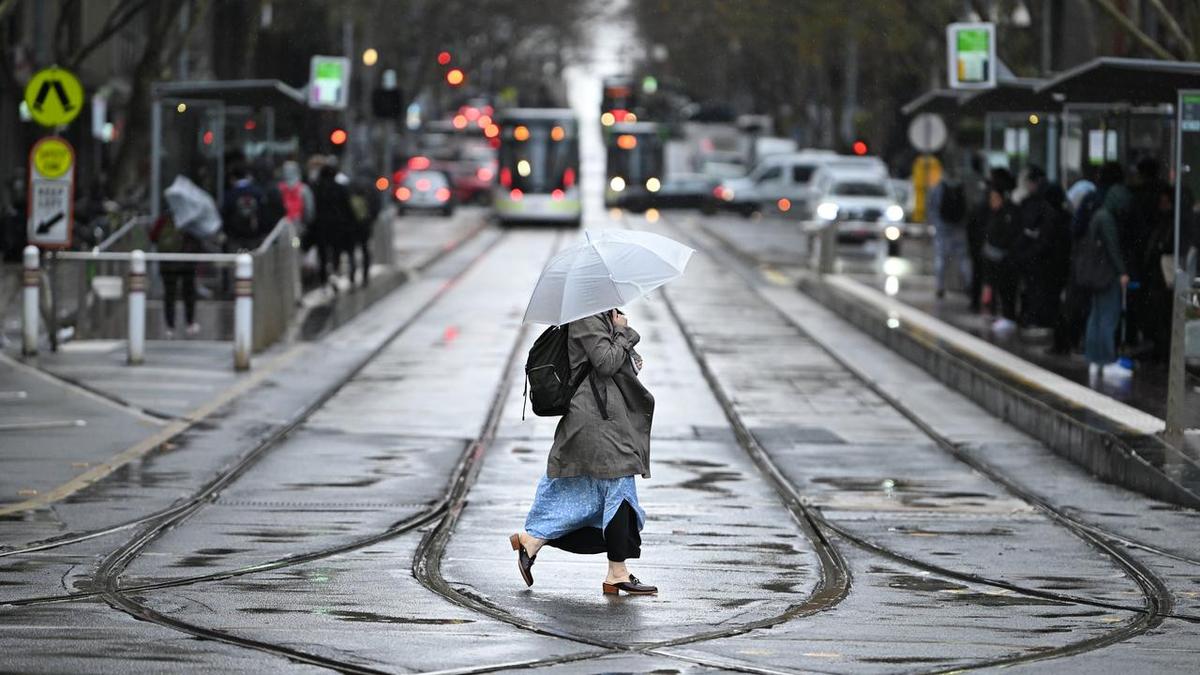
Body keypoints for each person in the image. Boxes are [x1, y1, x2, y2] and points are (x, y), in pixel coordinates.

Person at [511, 309, 657, 596]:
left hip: (604, 416)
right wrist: (623, 332)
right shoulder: (586, 317)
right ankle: (616, 572)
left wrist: (617, 330)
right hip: (595, 419)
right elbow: (605, 362)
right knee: (619, 483)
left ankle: (533, 540)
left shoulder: (598, 314)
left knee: (603, 488)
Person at [1083, 167, 1133, 381]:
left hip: (1094, 274)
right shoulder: (1108, 219)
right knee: (1108, 317)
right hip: (1107, 275)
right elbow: (1112, 248)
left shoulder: (1097, 215)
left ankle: (1094, 359)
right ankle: (1107, 360)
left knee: (1096, 316)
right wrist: (1122, 271)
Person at [150, 208, 201, 338]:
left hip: (168, 263)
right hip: (187, 262)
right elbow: (199, 237)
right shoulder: (190, 219)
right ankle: (190, 323)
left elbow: (153, 237)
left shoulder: (164, 219)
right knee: (189, 293)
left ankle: (170, 327)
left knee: (169, 294)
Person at [980, 169, 1021, 333]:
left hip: (1005, 259)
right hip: (995, 258)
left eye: (994, 198)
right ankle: (1002, 314)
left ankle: (1008, 317)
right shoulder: (996, 214)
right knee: (998, 287)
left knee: (1007, 289)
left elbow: (1008, 236)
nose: (992, 201)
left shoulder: (1009, 213)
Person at [927, 172, 970, 300]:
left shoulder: (938, 188)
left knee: (940, 258)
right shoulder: (961, 187)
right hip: (959, 229)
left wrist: (935, 223)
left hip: (942, 229)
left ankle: (940, 287)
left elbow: (931, 208)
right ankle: (968, 284)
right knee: (963, 259)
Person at [311, 164, 355, 289]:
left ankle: (323, 280)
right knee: (336, 251)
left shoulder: (316, 188)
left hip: (320, 226)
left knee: (322, 255)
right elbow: (347, 207)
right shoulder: (340, 188)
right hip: (337, 226)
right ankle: (334, 273)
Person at [221, 164, 266, 251]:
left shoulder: (230, 194)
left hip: (235, 237)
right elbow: (264, 215)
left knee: (236, 262)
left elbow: (224, 215)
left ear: (233, 177)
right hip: (254, 236)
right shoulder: (258, 193)